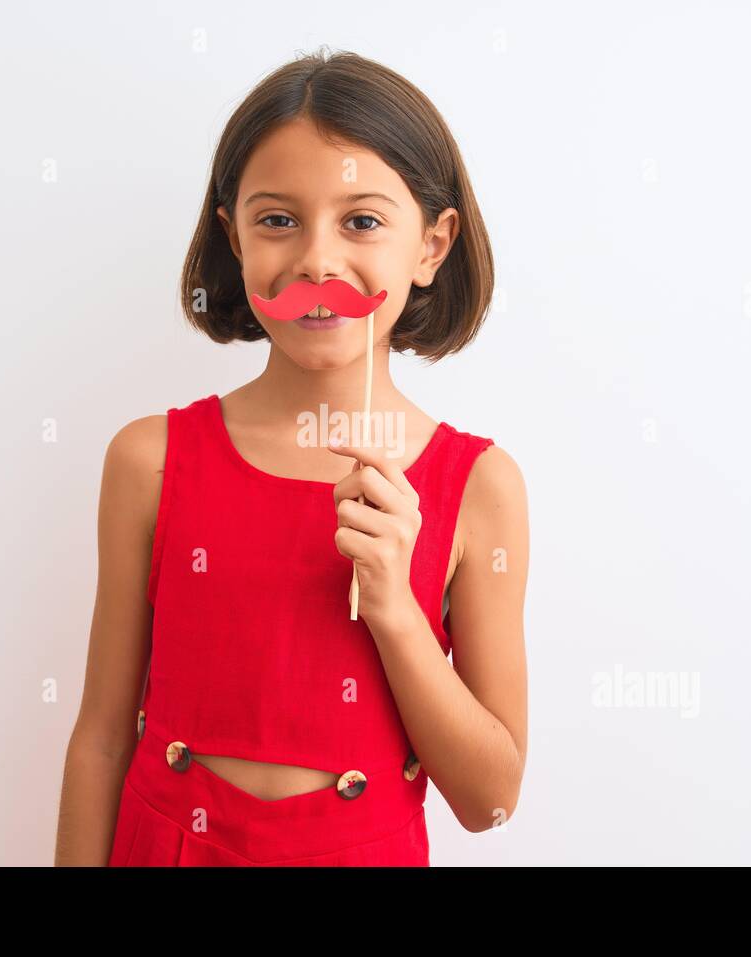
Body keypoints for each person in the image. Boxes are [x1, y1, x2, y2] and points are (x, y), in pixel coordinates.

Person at [55, 48, 528, 866]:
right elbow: (100, 738)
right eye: (278, 219)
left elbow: (490, 799)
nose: (316, 259)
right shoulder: (150, 460)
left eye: (363, 220)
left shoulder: (480, 487)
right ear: (231, 235)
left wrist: (396, 611)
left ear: (433, 244)